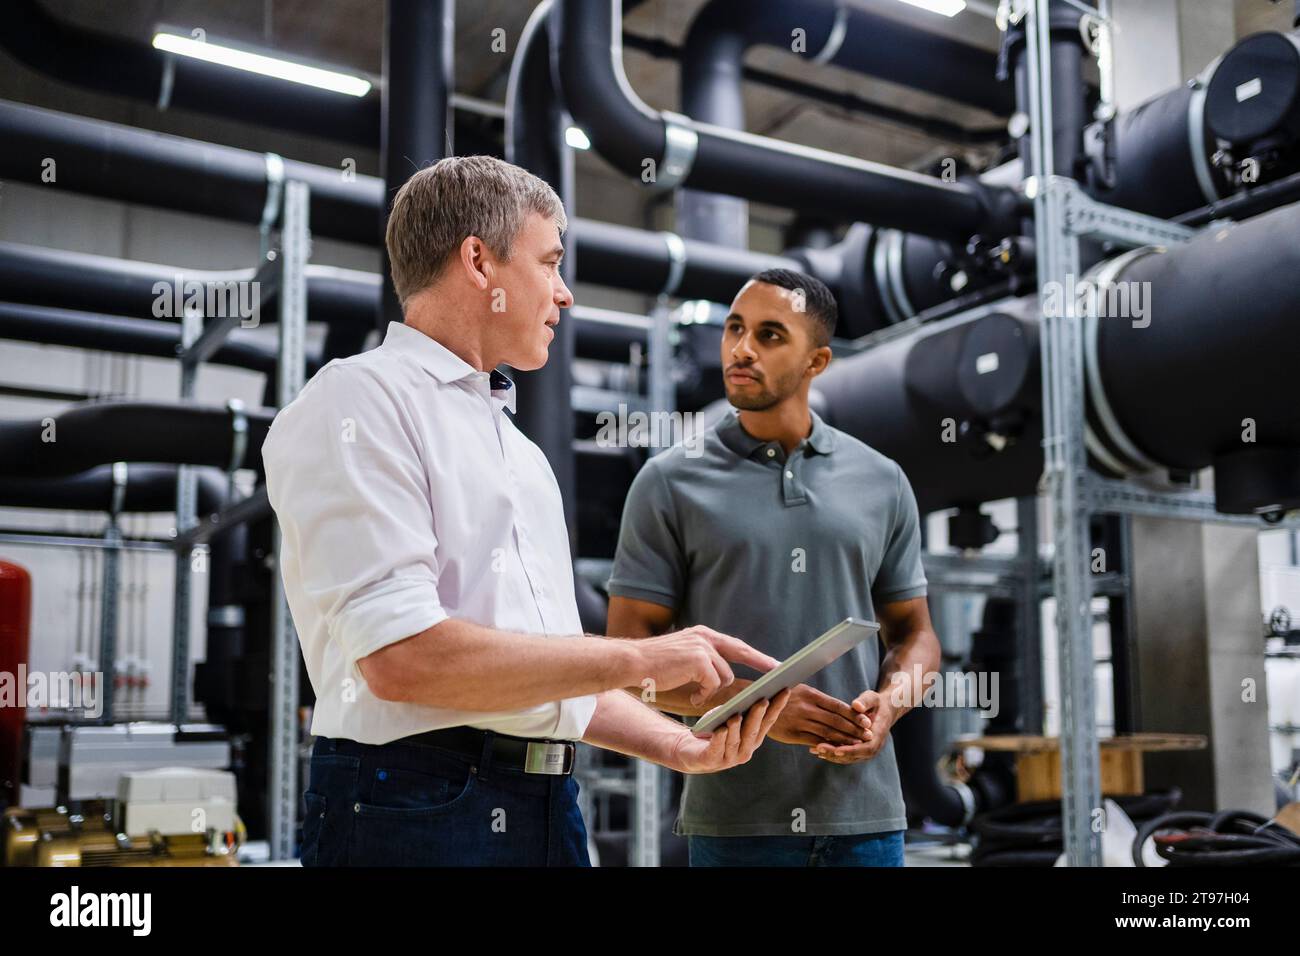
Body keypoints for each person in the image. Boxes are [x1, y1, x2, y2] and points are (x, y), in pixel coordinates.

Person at [263, 156, 788, 867]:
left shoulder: (518, 451)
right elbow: (401, 659)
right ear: (479, 262)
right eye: (550, 263)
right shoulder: (359, 402)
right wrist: (640, 657)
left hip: (546, 802)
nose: (565, 295)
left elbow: (544, 673)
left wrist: (678, 745)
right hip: (418, 804)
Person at [606, 268, 942, 867]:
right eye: (734, 329)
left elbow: (915, 634)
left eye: (769, 335)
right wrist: (756, 705)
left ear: (816, 362)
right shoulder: (669, 481)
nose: (741, 349)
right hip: (736, 826)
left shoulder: (881, 480)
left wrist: (888, 707)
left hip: (867, 822)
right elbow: (629, 659)